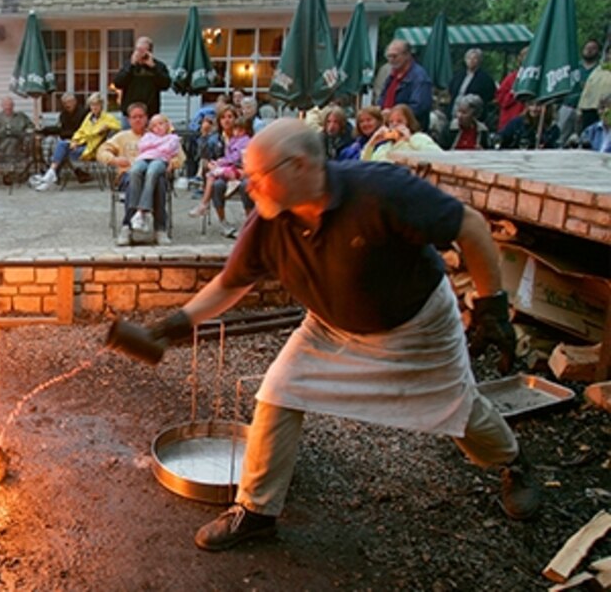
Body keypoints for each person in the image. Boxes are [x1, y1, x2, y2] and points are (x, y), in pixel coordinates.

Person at [143, 118, 539, 552]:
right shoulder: (270, 221)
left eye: (257, 175)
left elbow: (471, 226)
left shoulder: (381, 190)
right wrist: (173, 325)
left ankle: (513, 462)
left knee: (456, 407)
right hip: (329, 327)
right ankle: (256, 511)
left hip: (417, 324)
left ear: (298, 166)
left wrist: (491, 307)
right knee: (277, 391)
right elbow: (230, 285)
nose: (247, 184)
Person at [99, 102, 183, 246]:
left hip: (154, 173)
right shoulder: (122, 137)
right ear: (129, 120)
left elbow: (179, 155)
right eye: (134, 117)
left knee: (159, 180)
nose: (137, 120)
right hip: (129, 174)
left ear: (147, 119)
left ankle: (160, 229)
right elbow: (101, 151)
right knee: (134, 177)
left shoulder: (159, 134)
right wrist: (114, 159)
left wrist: (172, 163)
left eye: (141, 116)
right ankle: (127, 227)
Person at [189, 105, 254, 237]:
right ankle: (223, 222)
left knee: (246, 184)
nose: (226, 120)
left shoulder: (245, 138)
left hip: (242, 172)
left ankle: (250, 222)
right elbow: (205, 159)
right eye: (223, 117)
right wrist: (204, 136)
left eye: (230, 117)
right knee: (217, 185)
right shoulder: (215, 139)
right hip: (221, 173)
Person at [125, 114, 181, 236]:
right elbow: (141, 146)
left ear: (167, 125)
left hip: (161, 160)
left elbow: (169, 150)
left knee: (152, 172)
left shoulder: (173, 138)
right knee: (134, 171)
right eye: (154, 126)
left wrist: (153, 145)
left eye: (161, 124)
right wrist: (158, 145)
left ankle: (142, 211)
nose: (158, 127)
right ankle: (135, 210)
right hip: (144, 158)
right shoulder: (148, 136)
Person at [29, 92, 88, 190]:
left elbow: (79, 131)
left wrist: (63, 134)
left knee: (59, 146)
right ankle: (60, 173)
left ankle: (52, 173)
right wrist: (43, 130)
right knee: (51, 143)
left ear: (75, 102)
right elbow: (60, 128)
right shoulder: (64, 114)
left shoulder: (83, 113)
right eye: (64, 103)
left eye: (69, 102)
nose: (67, 105)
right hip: (67, 141)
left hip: (80, 142)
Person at [379, 39, 433, 134]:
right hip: (390, 129)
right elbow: (382, 98)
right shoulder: (392, 76)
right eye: (389, 56)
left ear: (407, 55)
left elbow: (420, 107)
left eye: (395, 56)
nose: (391, 60)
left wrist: (392, 113)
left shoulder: (419, 77)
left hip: (411, 132)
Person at [112, 36, 171, 118]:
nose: (140, 54)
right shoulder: (128, 65)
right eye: (138, 50)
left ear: (150, 52)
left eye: (143, 51)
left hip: (150, 114)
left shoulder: (158, 66)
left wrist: (153, 67)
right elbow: (118, 83)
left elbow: (165, 85)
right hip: (129, 114)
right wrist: (131, 66)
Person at [361, 104, 443, 162]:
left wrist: (409, 139)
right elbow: (365, 166)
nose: (395, 125)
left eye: (399, 121)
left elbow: (438, 156)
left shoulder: (419, 138)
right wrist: (371, 143)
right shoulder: (384, 147)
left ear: (408, 122)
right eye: (391, 122)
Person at [561, 39, 602, 141]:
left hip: (588, 109)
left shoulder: (600, 70)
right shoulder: (574, 67)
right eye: (587, 48)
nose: (589, 50)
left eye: (593, 48)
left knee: (584, 138)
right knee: (562, 135)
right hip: (569, 105)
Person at [447, 48, 496, 118]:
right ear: (465, 60)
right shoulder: (458, 75)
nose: (471, 61)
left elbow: (490, 95)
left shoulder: (485, 78)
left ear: (479, 61)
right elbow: (451, 90)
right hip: (455, 109)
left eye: (474, 58)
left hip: (473, 114)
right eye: (469, 58)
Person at [577, 43, 611, 134]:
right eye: (609, 53)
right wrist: (580, 109)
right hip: (590, 109)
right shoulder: (598, 70)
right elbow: (587, 91)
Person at [0, 96, 34, 161]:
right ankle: (10, 163)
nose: (8, 107)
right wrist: (3, 131)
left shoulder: (21, 117)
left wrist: (26, 133)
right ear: (2, 106)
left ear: (13, 106)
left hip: (20, 143)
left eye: (10, 105)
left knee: (14, 141)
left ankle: (10, 163)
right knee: (11, 141)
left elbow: (31, 127)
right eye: (5, 105)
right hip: (2, 144)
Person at [494, 47, 529, 133]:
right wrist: (514, 92)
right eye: (525, 56)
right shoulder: (511, 78)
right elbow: (501, 100)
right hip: (510, 121)